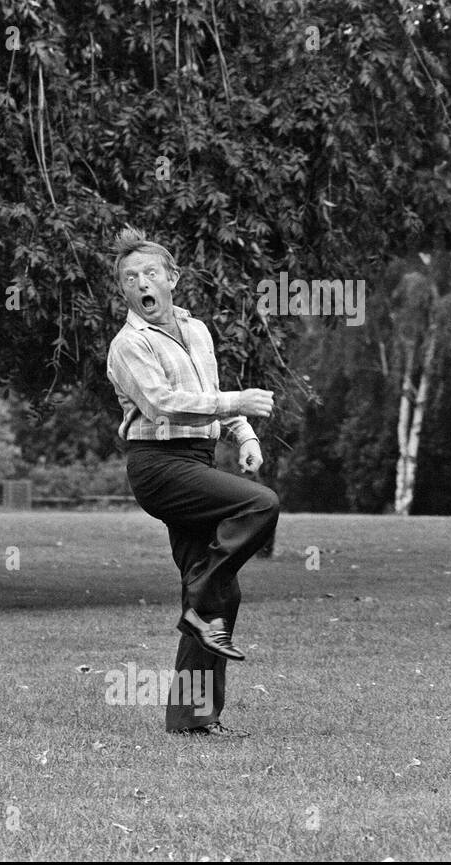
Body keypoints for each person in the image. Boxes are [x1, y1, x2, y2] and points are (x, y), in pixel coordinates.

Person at [105, 226, 280, 737]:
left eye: (150, 273)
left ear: (172, 278)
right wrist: (237, 402)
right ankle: (203, 590)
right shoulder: (128, 344)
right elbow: (161, 403)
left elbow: (208, 392)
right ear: (124, 290)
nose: (142, 282)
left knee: (219, 599)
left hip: (197, 459)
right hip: (159, 466)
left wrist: (244, 435)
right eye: (130, 277)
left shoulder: (197, 330)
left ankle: (191, 719)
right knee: (260, 504)